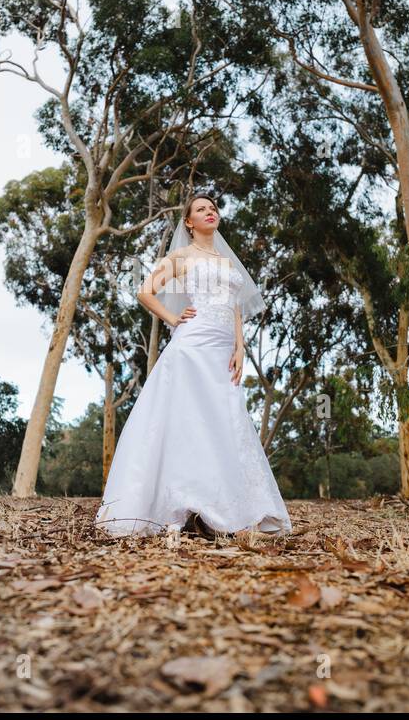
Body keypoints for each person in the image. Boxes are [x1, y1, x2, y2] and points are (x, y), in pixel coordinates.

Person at [94, 192, 292, 539]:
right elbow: (145, 291)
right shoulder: (181, 256)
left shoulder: (228, 263)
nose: (209, 212)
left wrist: (240, 347)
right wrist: (173, 318)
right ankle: (186, 505)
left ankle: (233, 510)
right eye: (201, 209)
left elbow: (235, 308)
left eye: (212, 208)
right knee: (189, 422)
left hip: (223, 350)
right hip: (192, 346)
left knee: (226, 420)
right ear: (189, 222)